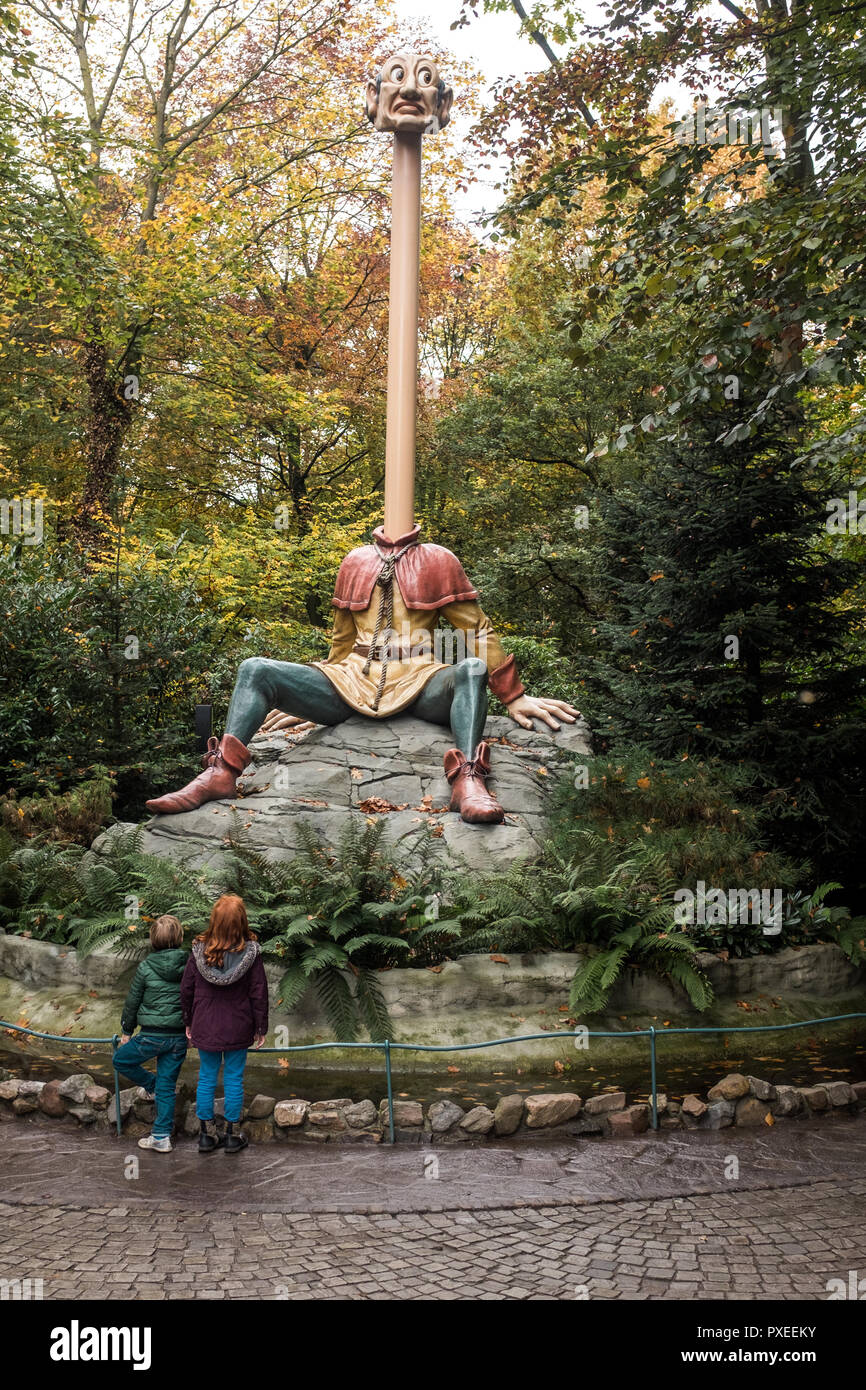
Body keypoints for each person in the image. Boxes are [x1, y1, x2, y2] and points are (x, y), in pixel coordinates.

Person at [145, 523, 579, 823]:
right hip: (351, 680)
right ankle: (221, 772)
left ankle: (468, 780)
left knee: (470, 668)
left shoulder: (437, 559)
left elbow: (477, 631)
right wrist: (311, 700)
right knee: (255, 668)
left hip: (420, 680)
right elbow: (339, 643)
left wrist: (514, 695)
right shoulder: (354, 561)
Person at [181, 893, 268, 1155]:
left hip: (205, 1023)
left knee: (206, 1078)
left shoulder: (199, 951)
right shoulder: (251, 953)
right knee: (233, 1078)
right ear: (242, 921)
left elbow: (186, 989)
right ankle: (231, 1135)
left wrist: (188, 1020)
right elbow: (259, 992)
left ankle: (207, 1136)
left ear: (214, 921)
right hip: (238, 1025)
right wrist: (260, 1027)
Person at [113, 915, 188, 1153]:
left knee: (120, 1059)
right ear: (180, 938)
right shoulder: (190, 965)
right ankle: (161, 1137)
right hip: (178, 1038)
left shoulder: (146, 967)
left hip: (151, 1036)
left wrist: (127, 1030)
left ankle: (151, 1084)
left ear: (152, 941)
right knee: (167, 1087)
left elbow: (132, 1002)